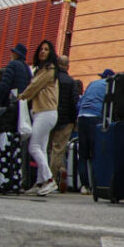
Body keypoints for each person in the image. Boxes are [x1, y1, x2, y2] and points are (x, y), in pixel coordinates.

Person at [17, 39, 60, 196]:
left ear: (50, 53)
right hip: (44, 112)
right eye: (41, 49)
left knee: (33, 147)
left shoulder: (49, 70)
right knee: (41, 148)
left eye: (46, 49)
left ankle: (49, 180)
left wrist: (21, 97)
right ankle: (41, 182)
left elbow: (34, 87)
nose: (42, 51)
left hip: (45, 112)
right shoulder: (42, 70)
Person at [75, 69, 109, 193]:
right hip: (95, 117)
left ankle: (85, 186)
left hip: (82, 116)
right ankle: (96, 185)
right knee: (96, 153)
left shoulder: (92, 84)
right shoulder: (109, 85)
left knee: (83, 155)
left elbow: (79, 103)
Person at [48, 55, 79, 191]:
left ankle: (48, 176)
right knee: (58, 150)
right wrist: (73, 120)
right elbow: (74, 102)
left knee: (48, 149)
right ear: (68, 66)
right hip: (66, 120)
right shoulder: (71, 82)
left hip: (50, 116)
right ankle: (54, 177)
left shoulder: (52, 78)